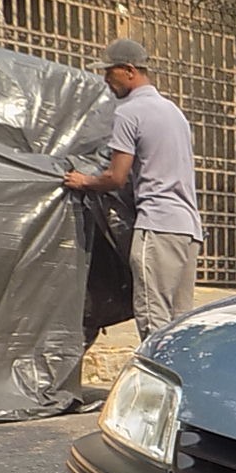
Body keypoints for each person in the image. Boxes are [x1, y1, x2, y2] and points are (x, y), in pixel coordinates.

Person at [63, 38, 202, 340]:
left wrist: (83, 181)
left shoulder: (129, 112)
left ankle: (156, 371)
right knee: (180, 325)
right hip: (189, 230)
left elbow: (116, 178)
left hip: (157, 225)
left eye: (109, 71)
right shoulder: (174, 112)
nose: (105, 79)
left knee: (154, 321)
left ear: (129, 70)